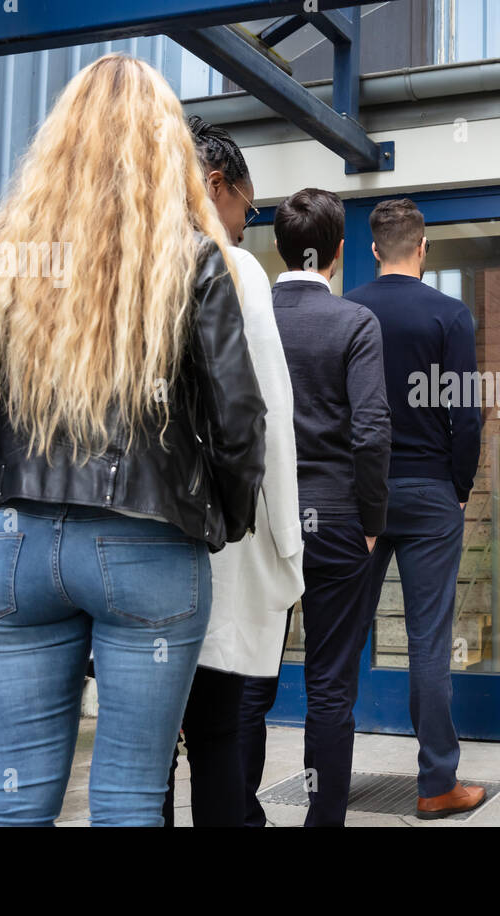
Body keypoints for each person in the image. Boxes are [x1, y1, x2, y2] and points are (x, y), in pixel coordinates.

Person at [0, 53, 267, 826]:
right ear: (165, 147)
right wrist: (219, 520)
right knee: (124, 800)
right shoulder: (193, 258)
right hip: (151, 552)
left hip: (20, 556)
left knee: (13, 803)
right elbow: (240, 425)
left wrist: (15, 508)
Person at [161, 118, 304, 827]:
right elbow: (263, 417)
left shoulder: (114, 260)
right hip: (213, 544)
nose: (248, 225)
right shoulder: (232, 267)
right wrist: (282, 545)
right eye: (248, 207)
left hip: (122, 548)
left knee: (142, 757)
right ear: (214, 185)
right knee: (217, 744)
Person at [237, 187, 392, 827]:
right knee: (329, 686)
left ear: (279, 246)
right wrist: (372, 524)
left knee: (248, 679)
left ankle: (239, 816)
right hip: (335, 522)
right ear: (337, 252)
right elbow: (373, 432)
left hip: (257, 522)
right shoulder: (355, 323)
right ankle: (322, 820)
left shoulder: (247, 317)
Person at [345, 198, 486, 819]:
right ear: (422, 248)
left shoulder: (349, 309)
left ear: (375, 249)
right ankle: (436, 786)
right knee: (429, 641)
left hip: (359, 496)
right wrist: (458, 485)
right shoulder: (450, 316)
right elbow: (467, 413)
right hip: (430, 492)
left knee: (343, 637)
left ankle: (328, 778)